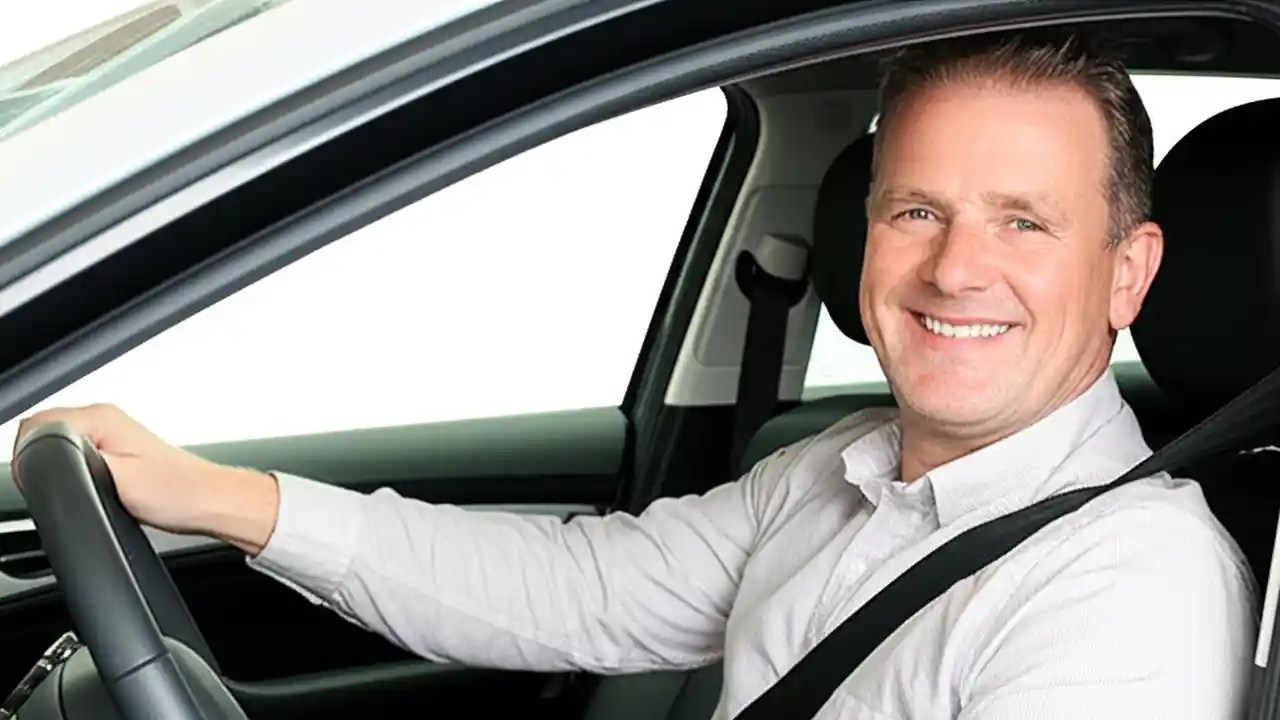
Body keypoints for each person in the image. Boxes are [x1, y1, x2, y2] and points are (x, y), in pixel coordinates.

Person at [11, 29, 1257, 719]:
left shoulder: (1128, 588)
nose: (954, 271)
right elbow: (577, 589)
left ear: (1125, 274)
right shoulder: (836, 468)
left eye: (1022, 223)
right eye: (915, 212)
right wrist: (216, 494)